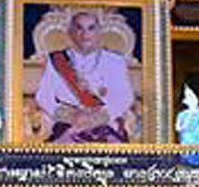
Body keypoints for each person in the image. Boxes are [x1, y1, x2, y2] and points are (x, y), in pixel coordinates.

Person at [35, 10, 135, 143]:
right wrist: (71, 116)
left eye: (91, 28)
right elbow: (43, 96)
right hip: (67, 125)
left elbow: (125, 97)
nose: (85, 34)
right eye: (79, 28)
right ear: (70, 32)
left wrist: (97, 117)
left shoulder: (115, 61)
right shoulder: (56, 60)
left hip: (105, 125)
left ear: (99, 32)